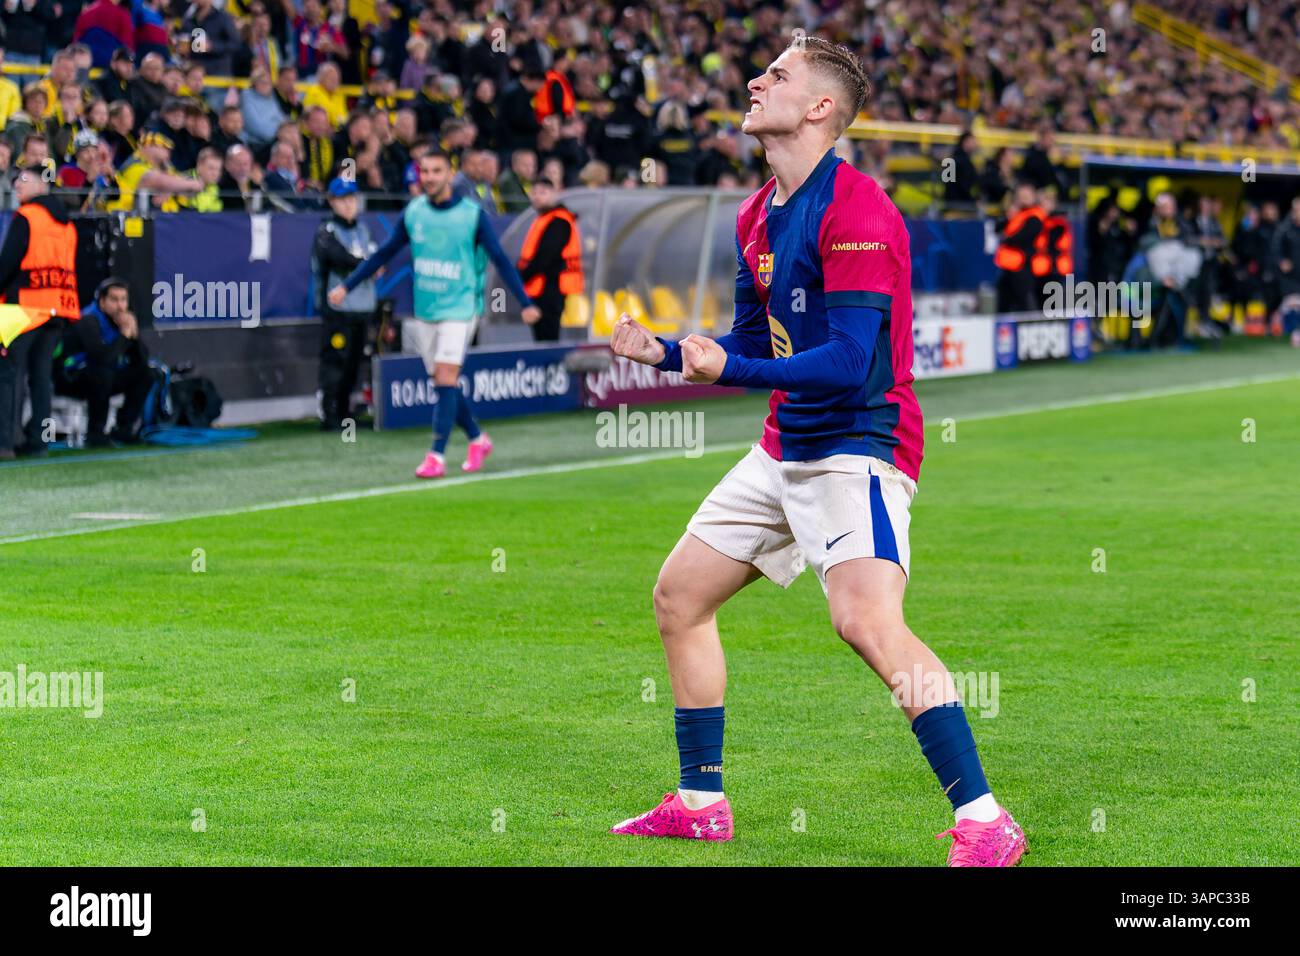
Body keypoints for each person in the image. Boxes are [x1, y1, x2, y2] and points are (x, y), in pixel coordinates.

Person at [605, 36, 1026, 867]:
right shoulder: (756, 212)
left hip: (857, 447)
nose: (756, 82)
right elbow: (753, 340)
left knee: (865, 622)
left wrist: (734, 366)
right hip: (784, 443)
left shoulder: (860, 208)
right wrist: (663, 352)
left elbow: (842, 362)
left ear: (822, 108)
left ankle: (985, 819)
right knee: (679, 597)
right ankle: (700, 801)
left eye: (779, 76)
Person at [329, 148, 540, 478]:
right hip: (427, 308)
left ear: (450, 174)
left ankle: (436, 456)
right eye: (424, 171)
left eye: (436, 171)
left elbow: (499, 258)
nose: (429, 178)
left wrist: (525, 303)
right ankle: (477, 438)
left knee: (444, 377)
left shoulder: (472, 214)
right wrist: (348, 285)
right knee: (444, 384)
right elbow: (384, 252)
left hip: (461, 308)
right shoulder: (415, 212)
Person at [0, 166, 81, 459]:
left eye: (21, 180)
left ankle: (4, 444)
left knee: (8, 375)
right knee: (41, 377)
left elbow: (8, 261)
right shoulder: (66, 223)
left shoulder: (28, 216)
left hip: (25, 308)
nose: (16, 186)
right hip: (57, 308)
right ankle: (39, 441)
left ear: (39, 184)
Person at [53, 277, 153, 446]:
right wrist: (124, 335)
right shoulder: (88, 320)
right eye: (114, 300)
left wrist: (134, 336)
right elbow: (102, 358)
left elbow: (142, 359)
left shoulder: (122, 321)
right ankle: (96, 433)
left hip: (102, 377)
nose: (120, 306)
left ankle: (124, 428)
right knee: (102, 372)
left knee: (145, 373)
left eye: (123, 300)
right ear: (102, 301)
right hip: (70, 378)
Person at [312, 177, 376, 430]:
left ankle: (345, 411)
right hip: (339, 310)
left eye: (352, 199)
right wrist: (368, 266)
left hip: (362, 308)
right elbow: (340, 258)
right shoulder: (326, 231)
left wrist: (370, 265)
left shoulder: (363, 230)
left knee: (354, 362)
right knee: (335, 360)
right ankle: (330, 414)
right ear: (332, 202)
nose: (349, 205)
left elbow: (376, 257)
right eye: (343, 200)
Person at [515, 176, 582, 342]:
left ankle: (549, 367)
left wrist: (522, 276)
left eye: (543, 192)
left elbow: (546, 256)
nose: (537, 196)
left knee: (548, 336)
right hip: (541, 287)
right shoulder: (545, 219)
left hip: (551, 288)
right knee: (542, 335)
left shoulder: (559, 221)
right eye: (534, 192)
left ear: (554, 194)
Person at [993, 181, 1045, 312]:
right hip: (1008, 266)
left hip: (1022, 266)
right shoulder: (1017, 214)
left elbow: (1022, 238)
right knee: (1003, 302)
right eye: (1020, 196)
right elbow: (997, 229)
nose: (1022, 199)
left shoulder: (1034, 216)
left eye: (1025, 196)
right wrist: (1008, 217)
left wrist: (1006, 239)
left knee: (1024, 302)